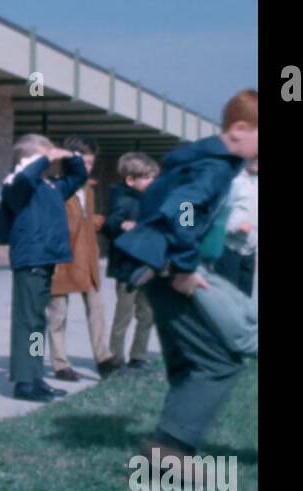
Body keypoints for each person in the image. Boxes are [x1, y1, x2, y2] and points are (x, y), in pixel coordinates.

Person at [116, 89, 259, 459]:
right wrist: (182, 267)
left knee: (191, 361)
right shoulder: (213, 167)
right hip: (169, 273)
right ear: (241, 129)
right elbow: (182, 208)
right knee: (218, 364)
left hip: (158, 270)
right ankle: (169, 450)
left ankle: (170, 446)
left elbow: (161, 203)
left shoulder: (198, 159)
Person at [0, 134, 87, 402]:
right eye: (44, 156)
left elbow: (77, 178)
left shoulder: (49, 186)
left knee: (38, 323)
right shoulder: (16, 182)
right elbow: (24, 180)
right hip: (30, 260)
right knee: (28, 322)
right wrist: (44, 158)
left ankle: (35, 376)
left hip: (46, 260)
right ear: (28, 160)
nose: (51, 159)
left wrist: (73, 157)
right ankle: (24, 382)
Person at [46, 135, 120, 381]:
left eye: (91, 163)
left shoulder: (88, 189)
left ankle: (104, 358)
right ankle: (60, 363)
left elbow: (87, 219)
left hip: (87, 257)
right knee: (58, 313)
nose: (87, 168)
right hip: (62, 259)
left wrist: (109, 222)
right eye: (83, 162)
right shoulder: (56, 186)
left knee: (97, 307)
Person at [103, 152, 160, 371]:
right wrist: (121, 226)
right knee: (123, 316)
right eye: (146, 177)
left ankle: (139, 357)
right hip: (126, 268)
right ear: (130, 179)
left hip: (147, 267)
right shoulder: (121, 199)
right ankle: (115, 359)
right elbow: (109, 225)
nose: (151, 182)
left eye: (153, 177)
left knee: (147, 314)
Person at [214, 155, 258, 297]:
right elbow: (216, 212)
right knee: (228, 302)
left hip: (249, 252)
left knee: (246, 302)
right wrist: (234, 227)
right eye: (255, 157)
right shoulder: (233, 181)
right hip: (229, 249)